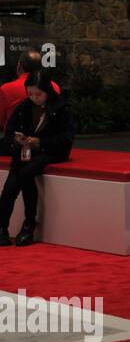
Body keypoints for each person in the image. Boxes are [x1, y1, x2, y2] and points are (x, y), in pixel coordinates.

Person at [0, 71, 74, 247]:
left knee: (26, 173)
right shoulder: (24, 107)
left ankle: (29, 223)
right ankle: (2, 227)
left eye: (38, 94)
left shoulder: (60, 109)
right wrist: (16, 140)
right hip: (25, 151)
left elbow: (66, 139)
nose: (34, 98)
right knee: (10, 185)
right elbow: (9, 132)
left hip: (50, 151)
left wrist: (40, 142)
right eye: (30, 93)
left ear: (47, 91)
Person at [0, 49, 60, 135]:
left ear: (19, 67)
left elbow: (1, 120)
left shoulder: (6, 89)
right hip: (45, 143)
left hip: (15, 142)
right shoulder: (54, 87)